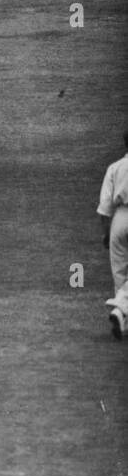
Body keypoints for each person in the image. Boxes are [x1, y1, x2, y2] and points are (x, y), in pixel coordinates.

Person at [97, 129, 128, 339]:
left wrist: (106, 233)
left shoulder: (115, 168)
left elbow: (105, 206)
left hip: (120, 219)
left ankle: (120, 314)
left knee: (120, 273)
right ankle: (120, 309)